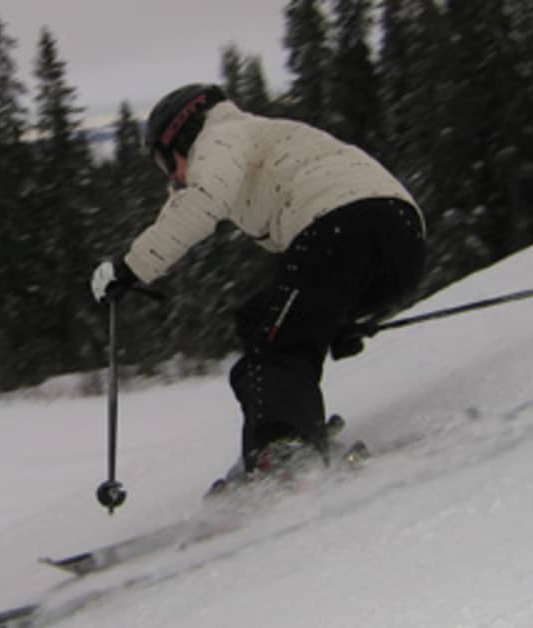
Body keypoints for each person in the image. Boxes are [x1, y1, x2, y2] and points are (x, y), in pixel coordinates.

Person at [90, 83, 427, 488]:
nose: (173, 177)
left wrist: (129, 267)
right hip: (399, 240)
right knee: (260, 318)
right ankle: (293, 434)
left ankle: (283, 452)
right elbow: (186, 202)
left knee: (269, 353)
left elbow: (201, 201)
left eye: (167, 165)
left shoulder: (218, 136)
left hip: (341, 226)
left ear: (179, 136)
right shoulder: (252, 135)